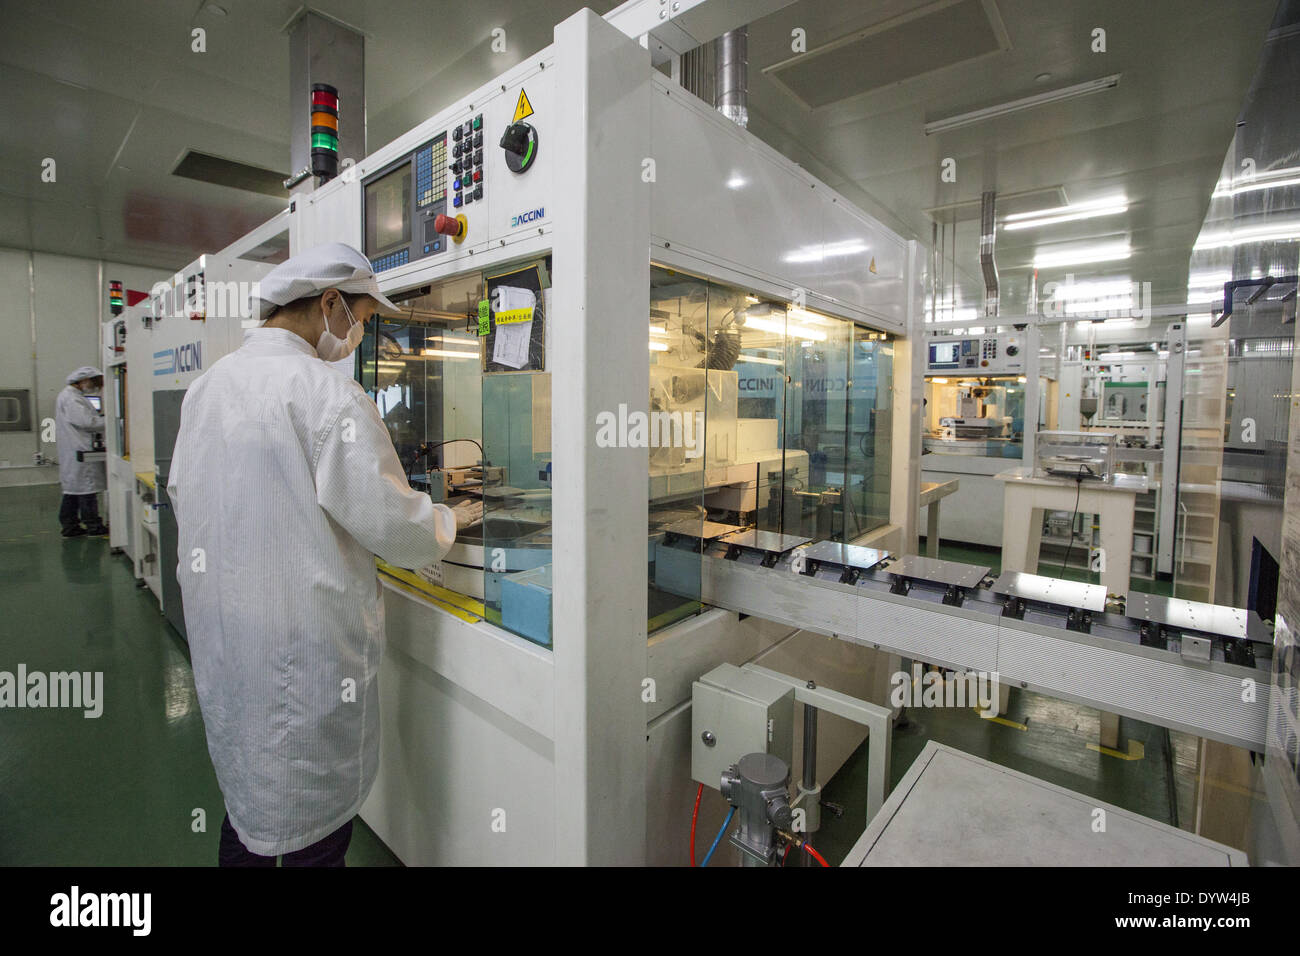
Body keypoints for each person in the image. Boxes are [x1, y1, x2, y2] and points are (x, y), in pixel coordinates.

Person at [166, 242, 482, 867]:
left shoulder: (206, 390)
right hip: (305, 656)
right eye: (361, 316)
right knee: (315, 830)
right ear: (331, 303)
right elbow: (391, 524)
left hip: (229, 640)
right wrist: (448, 518)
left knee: (250, 809)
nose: (359, 332)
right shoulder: (325, 396)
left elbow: (186, 496)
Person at [55, 366, 108, 537]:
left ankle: (69, 526)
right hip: (80, 450)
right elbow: (88, 422)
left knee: (73, 491)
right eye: (93, 382)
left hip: (74, 449)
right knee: (87, 490)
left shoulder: (71, 396)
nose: (93, 386)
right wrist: (113, 419)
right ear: (82, 381)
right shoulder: (72, 399)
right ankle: (93, 526)